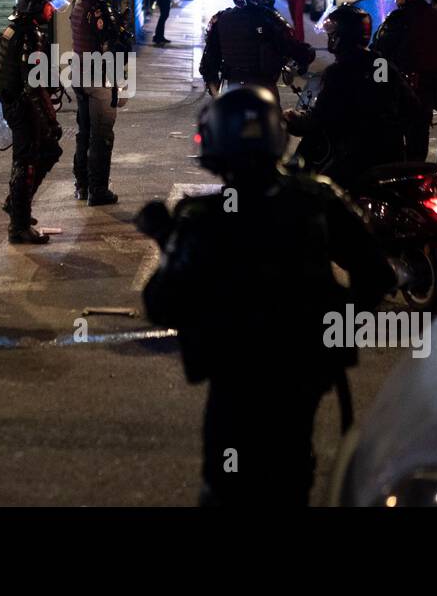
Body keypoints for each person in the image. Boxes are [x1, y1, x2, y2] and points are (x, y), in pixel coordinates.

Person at [138, 87, 395, 506]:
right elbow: (376, 275)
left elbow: (161, 303)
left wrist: (172, 245)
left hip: (235, 381)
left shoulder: (202, 220)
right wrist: (335, 328)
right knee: (291, 475)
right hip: (302, 376)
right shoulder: (317, 199)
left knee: (227, 485)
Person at [283, 4, 416, 188]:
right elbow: (409, 106)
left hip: (354, 157)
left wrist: (293, 120)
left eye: (332, 35)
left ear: (342, 36)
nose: (330, 38)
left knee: (318, 192)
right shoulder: (379, 63)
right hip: (390, 152)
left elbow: (320, 119)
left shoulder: (339, 72)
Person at [0, 0, 67, 244]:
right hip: (25, 108)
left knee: (47, 152)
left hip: (16, 105)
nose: (51, 9)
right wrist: (49, 119)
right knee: (26, 162)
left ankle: (17, 205)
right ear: (36, 6)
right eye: (48, 4)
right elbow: (33, 85)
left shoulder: (14, 30)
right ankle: (19, 226)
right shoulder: (29, 36)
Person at [371, 0, 437, 160]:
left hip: (399, 89)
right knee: (419, 139)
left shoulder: (397, 19)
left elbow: (379, 54)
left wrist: (378, 85)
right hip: (429, 90)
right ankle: (418, 181)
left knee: (392, 139)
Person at [69, 0, 132, 206]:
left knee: (84, 132)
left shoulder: (81, 4)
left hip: (79, 74)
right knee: (101, 136)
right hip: (99, 78)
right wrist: (124, 33)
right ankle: (98, 190)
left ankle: (81, 186)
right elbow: (115, 50)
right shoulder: (101, 10)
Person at [200, 0, 315, 98]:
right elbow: (290, 45)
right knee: (275, 117)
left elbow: (209, 61)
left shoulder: (220, 19)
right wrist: (307, 55)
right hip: (264, 88)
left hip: (234, 88)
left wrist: (213, 86)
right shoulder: (269, 18)